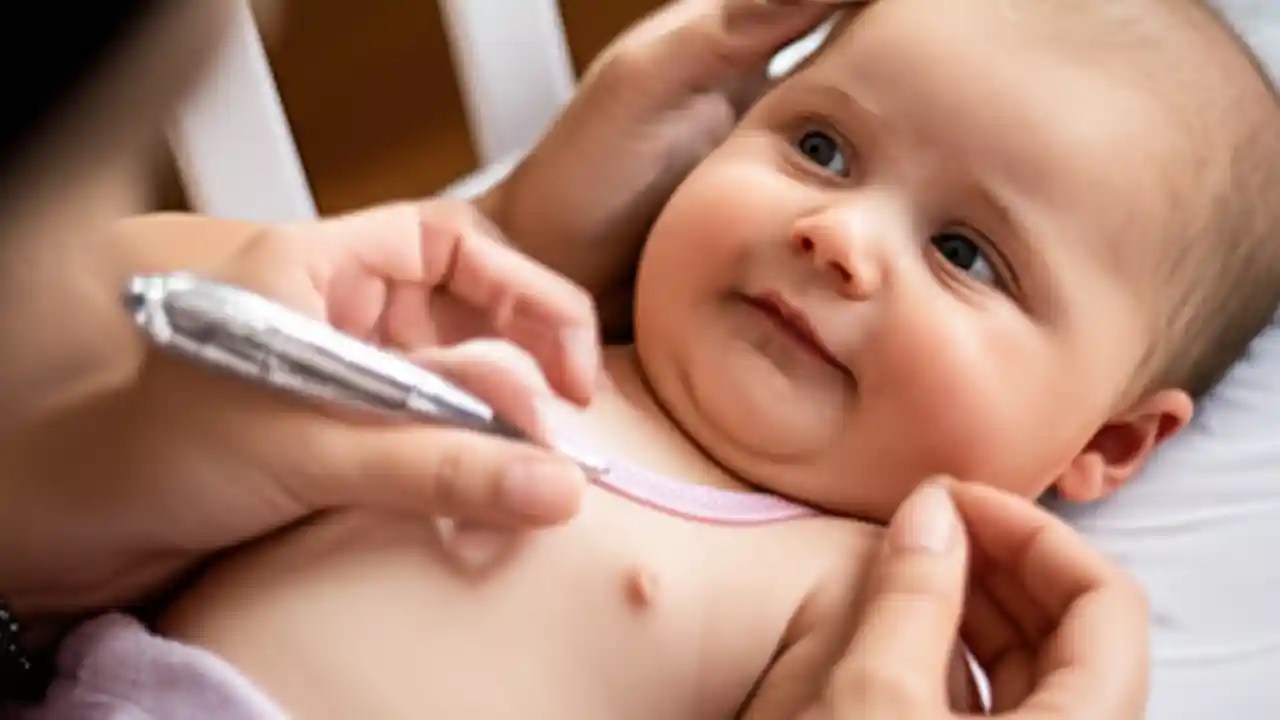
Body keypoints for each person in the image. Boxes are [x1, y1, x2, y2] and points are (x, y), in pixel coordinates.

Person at [25, 0, 1274, 717]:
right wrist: (508, 228)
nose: (833, 237)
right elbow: (104, 296)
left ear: (1105, 443)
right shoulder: (517, 317)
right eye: (822, 149)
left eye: (965, 253)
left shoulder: (863, 610)